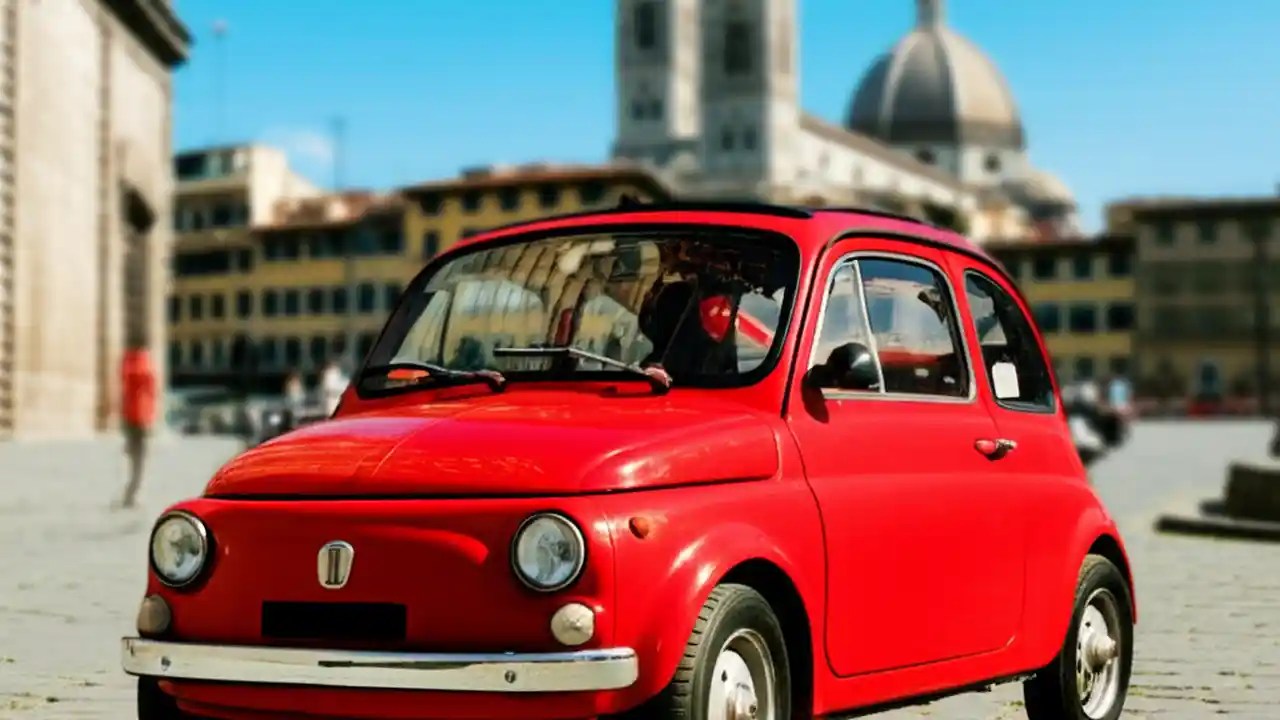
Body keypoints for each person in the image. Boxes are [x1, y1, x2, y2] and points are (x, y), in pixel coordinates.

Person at [119, 346, 157, 509]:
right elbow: (151, 392)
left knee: (133, 457)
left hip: (130, 416)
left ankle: (130, 493)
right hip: (141, 417)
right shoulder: (146, 365)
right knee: (140, 459)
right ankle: (133, 494)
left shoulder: (127, 365)